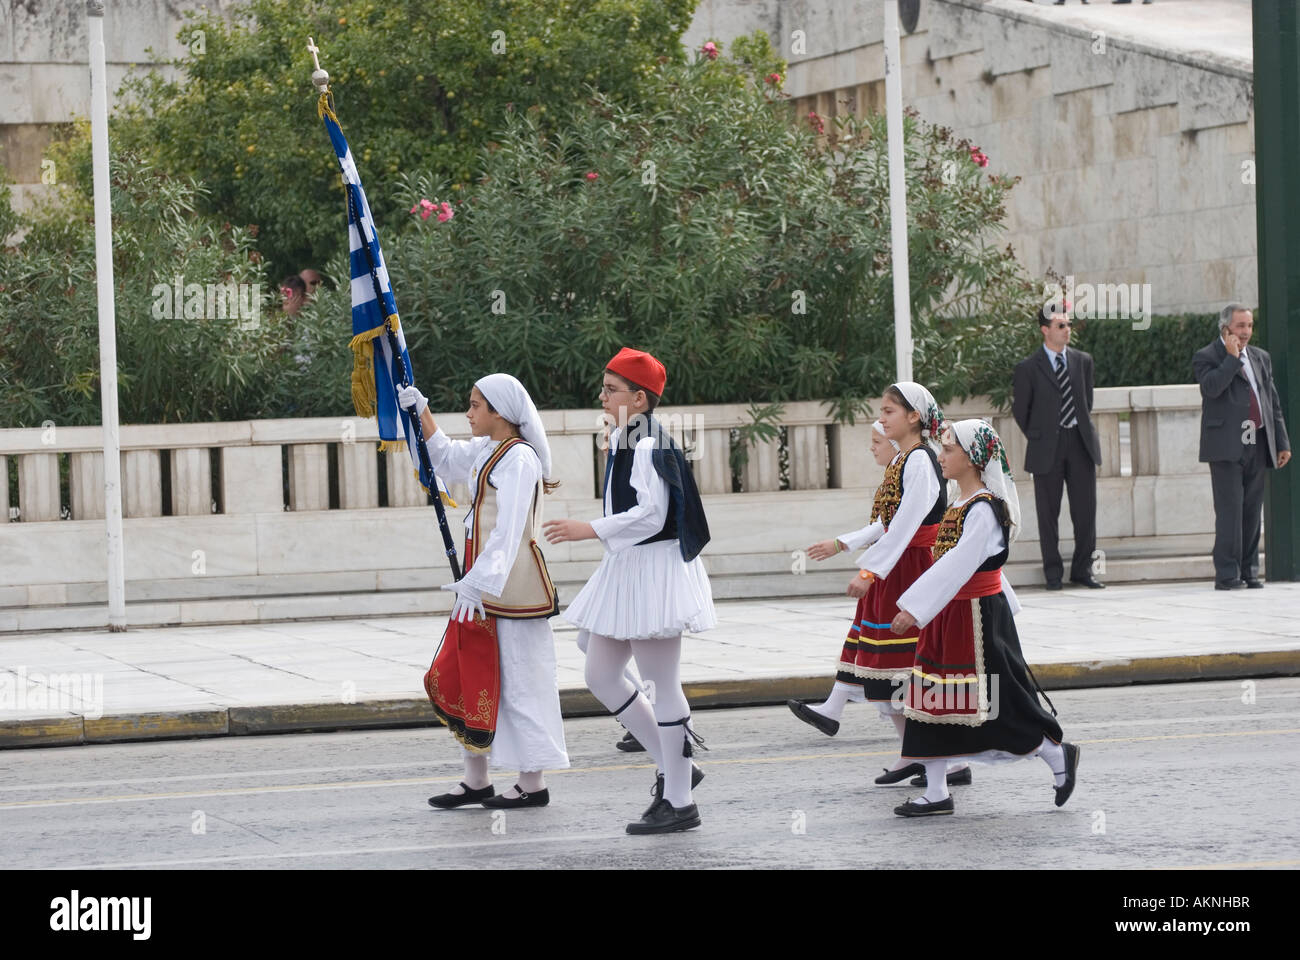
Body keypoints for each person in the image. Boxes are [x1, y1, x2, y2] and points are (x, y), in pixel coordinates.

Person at [543, 347, 714, 834]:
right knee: (600, 671)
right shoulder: (631, 437)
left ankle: (679, 799)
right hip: (634, 568)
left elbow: (652, 515)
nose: (602, 395)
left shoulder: (644, 442)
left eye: (611, 389)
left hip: (653, 573)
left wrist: (589, 529)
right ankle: (677, 767)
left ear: (639, 398)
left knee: (662, 684)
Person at [889, 420, 1079, 818]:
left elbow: (958, 565)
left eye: (948, 450)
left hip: (975, 620)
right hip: (948, 615)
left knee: (996, 701)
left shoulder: (984, 509)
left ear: (973, 458)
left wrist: (913, 609)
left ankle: (1055, 754)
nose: (940, 457)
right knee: (930, 698)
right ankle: (937, 791)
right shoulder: (959, 503)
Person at [398, 374, 570, 809]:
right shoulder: (489, 449)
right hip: (480, 587)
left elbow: (510, 532)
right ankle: (477, 779)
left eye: (476, 406)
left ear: (500, 412)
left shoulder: (520, 459)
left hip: (510, 590)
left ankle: (532, 784)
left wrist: (478, 583)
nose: (469, 413)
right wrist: (422, 412)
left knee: (520, 681)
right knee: (469, 676)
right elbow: (447, 458)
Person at [789, 385, 970, 788]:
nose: (882, 418)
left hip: (912, 568)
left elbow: (906, 526)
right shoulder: (906, 460)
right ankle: (931, 759)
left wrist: (870, 572)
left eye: (889, 411)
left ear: (913, 418)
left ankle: (946, 761)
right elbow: (890, 522)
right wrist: (845, 545)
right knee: (890, 673)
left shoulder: (920, 460)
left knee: (906, 671)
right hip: (899, 566)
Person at [786, 420, 897, 731]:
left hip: (899, 568)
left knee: (893, 644)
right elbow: (883, 526)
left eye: (877, 441)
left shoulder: (908, 474)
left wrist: (841, 545)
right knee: (864, 635)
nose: (872, 447)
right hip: (884, 566)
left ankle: (910, 721)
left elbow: (890, 528)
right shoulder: (893, 476)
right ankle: (834, 707)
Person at [1194, 304, 1291, 589]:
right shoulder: (1206, 356)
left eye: (1249, 326)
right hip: (1226, 446)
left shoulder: (1261, 357)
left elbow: (1271, 402)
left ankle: (1249, 571)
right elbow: (1211, 388)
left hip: (1258, 443)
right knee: (1230, 512)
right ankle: (1227, 574)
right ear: (1225, 329)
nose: (1246, 332)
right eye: (1240, 326)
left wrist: (1282, 442)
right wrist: (1232, 358)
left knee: (1251, 510)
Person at [1012, 303, 1104, 590]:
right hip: (1046, 446)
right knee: (1048, 513)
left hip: (1080, 442)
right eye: (1061, 326)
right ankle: (1053, 574)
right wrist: (1041, 434)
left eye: (1068, 325)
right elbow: (1021, 411)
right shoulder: (1028, 368)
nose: (1067, 330)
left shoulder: (1082, 361)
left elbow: (1086, 402)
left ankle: (1083, 571)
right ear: (1045, 330)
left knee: (1085, 511)